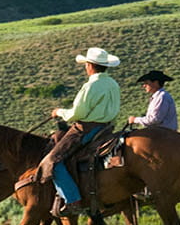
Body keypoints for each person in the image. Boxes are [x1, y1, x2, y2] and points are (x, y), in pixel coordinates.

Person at [37, 47, 123, 215]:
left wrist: (59, 112)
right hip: (107, 128)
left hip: (87, 129)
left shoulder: (91, 85)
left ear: (90, 66)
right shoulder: (113, 83)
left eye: (86, 64)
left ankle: (72, 200)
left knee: (53, 162)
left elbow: (78, 114)